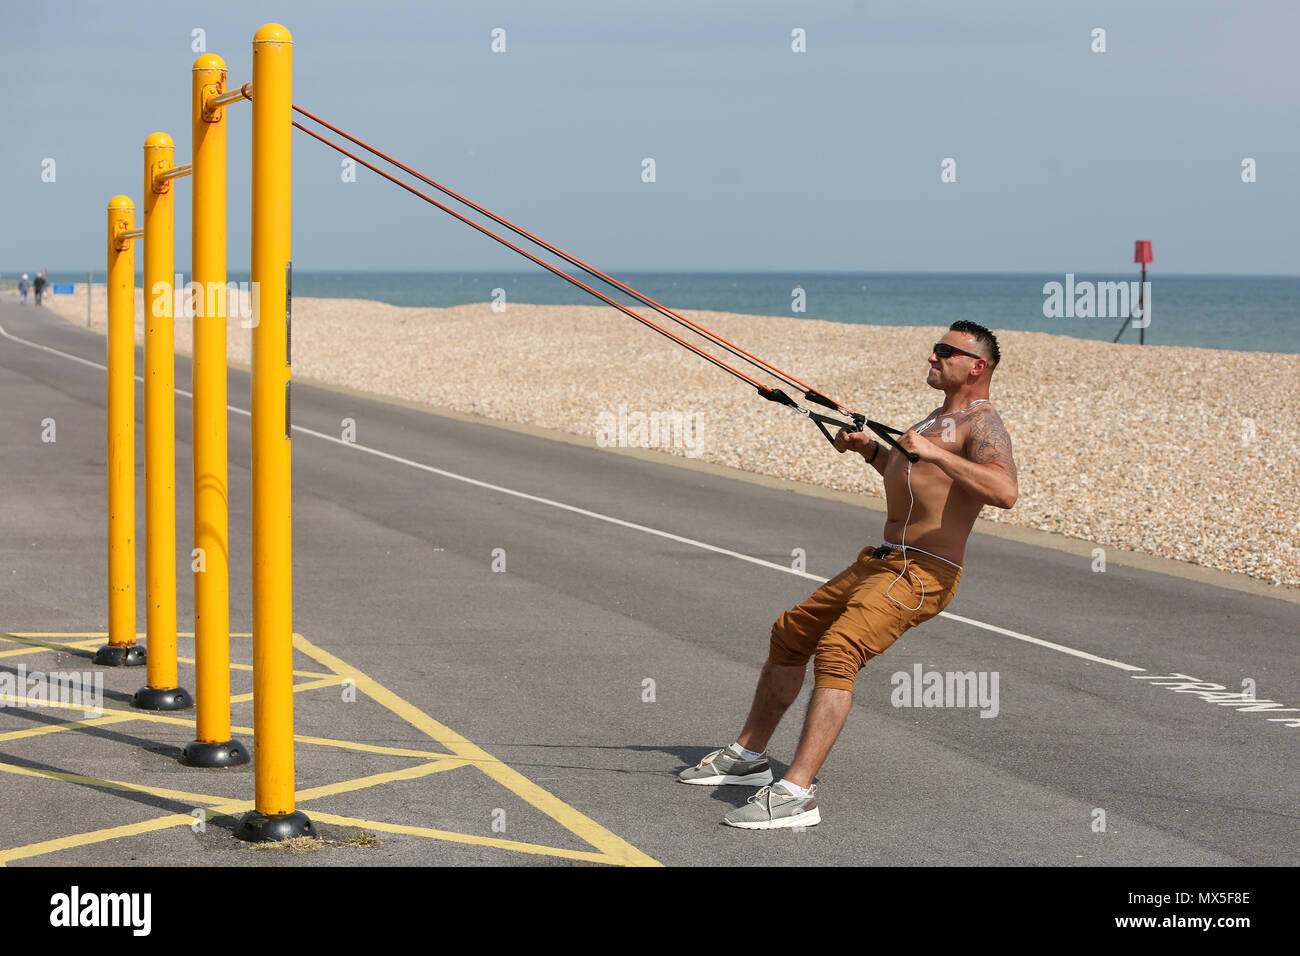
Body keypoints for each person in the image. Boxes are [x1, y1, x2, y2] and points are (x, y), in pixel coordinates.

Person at [679, 320, 1019, 829]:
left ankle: (795, 792)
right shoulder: (934, 420)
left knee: (839, 650)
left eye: (946, 351)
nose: (932, 356)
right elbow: (914, 477)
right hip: (883, 559)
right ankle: (748, 758)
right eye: (934, 347)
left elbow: (1004, 491)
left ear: (978, 366)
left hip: (925, 571)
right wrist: (873, 451)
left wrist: (936, 453)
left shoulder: (982, 422)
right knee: (791, 633)